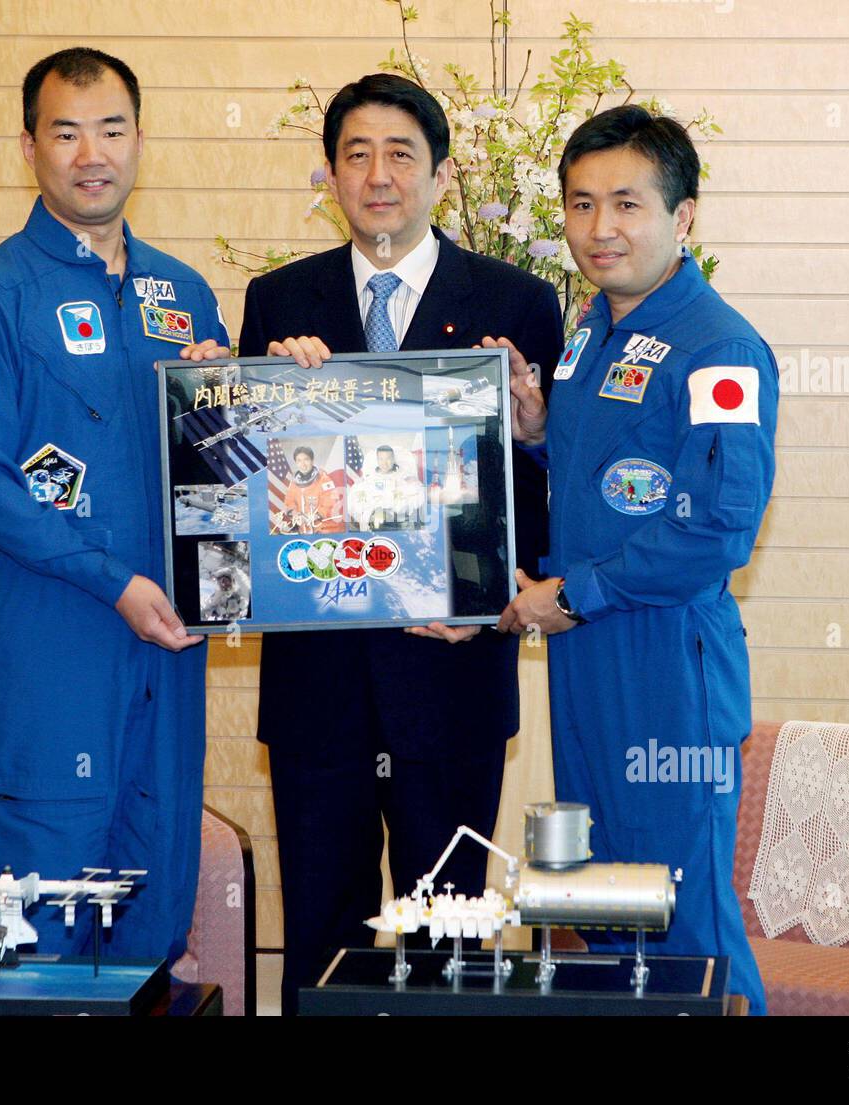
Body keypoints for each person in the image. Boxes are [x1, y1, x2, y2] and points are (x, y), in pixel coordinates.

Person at [231, 73, 564, 1014]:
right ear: (329, 173)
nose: (379, 175)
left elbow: (544, 493)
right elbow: (247, 484)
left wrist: (492, 597)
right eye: (356, 154)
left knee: (447, 938)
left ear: (442, 174)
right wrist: (256, 394)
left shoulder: (517, 302)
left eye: (402, 154)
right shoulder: (279, 301)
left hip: (451, 684)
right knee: (322, 942)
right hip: (317, 692)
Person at [0, 47, 230, 964]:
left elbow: (225, 473)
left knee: (155, 900)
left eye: (111, 129)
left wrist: (252, 401)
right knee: (38, 915)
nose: (91, 153)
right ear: (29, 147)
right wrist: (113, 581)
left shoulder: (182, 293)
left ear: (141, 140)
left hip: (170, 647)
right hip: (54, 639)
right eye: (66, 132)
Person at [498, 105, 775, 1014]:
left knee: (684, 915)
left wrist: (573, 595)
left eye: (627, 203)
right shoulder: (593, 330)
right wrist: (538, 433)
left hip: (665, 665)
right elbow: (609, 476)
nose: (599, 229)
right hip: (586, 663)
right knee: (607, 912)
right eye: (580, 205)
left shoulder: (718, 348)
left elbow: (717, 529)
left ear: (683, 216)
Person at [351, 444, 425, 530]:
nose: (384, 463)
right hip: (374, 522)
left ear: (393, 459)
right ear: (377, 460)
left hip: (399, 521)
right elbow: (357, 501)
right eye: (381, 459)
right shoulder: (369, 480)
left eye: (388, 458)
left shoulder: (404, 478)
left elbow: (417, 496)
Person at [277, 445, 343, 533]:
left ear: (312, 460)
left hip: (326, 529)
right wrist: (296, 515)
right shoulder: (294, 483)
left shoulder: (324, 480)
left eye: (306, 459)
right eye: (299, 461)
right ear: (296, 463)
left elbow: (331, 504)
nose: (303, 464)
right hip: (304, 530)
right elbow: (289, 502)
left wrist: (315, 516)